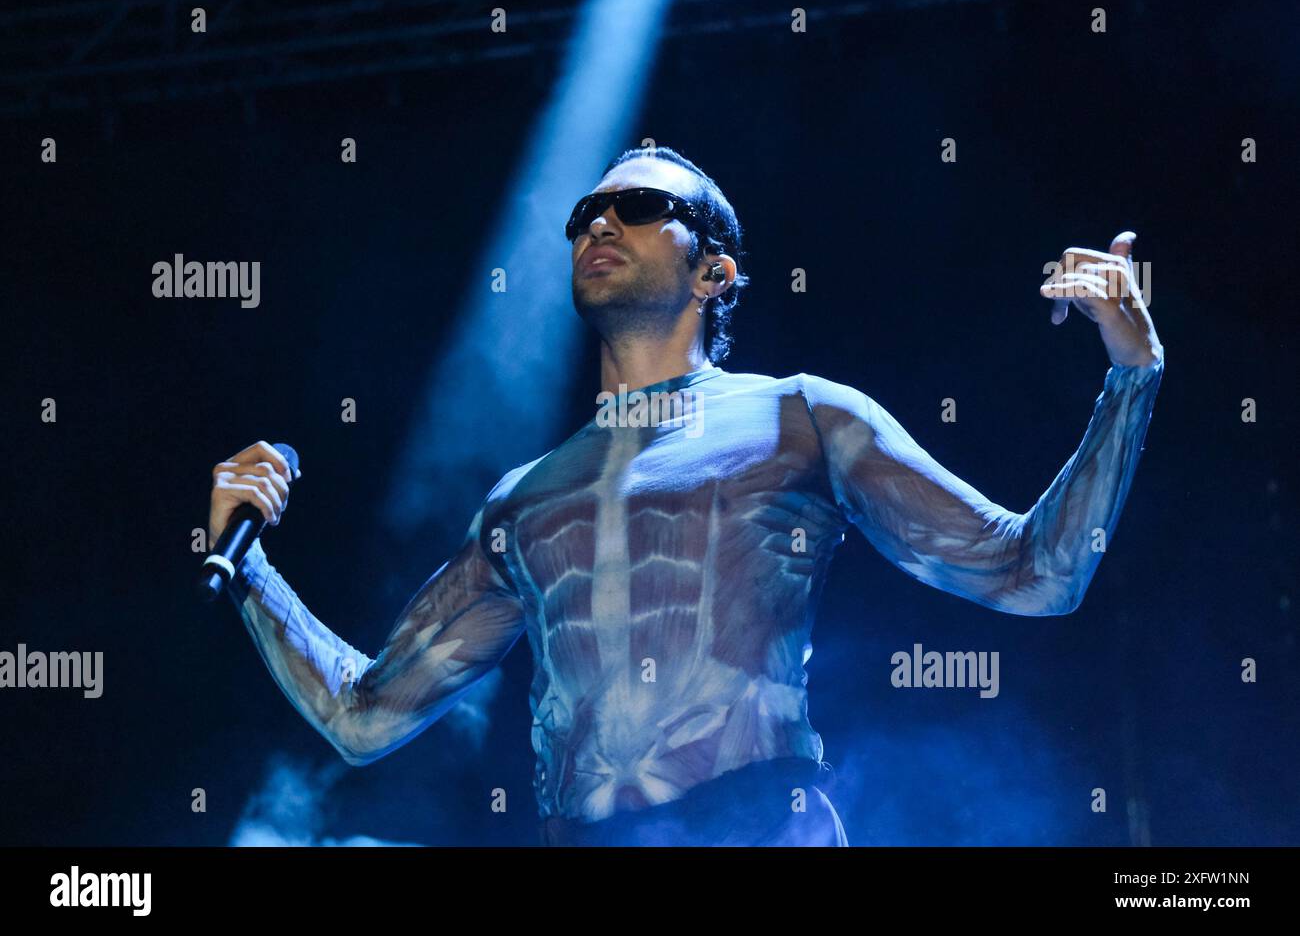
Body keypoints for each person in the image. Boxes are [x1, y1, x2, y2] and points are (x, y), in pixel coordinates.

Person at [209, 146, 1164, 846]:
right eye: (585, 212)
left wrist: (1131, 372)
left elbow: (1037, 574)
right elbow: (364, 715)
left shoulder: (802, 418)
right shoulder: (522, 502)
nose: (597, 225)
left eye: (635, 206)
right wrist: (250, 570)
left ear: (716, 269)